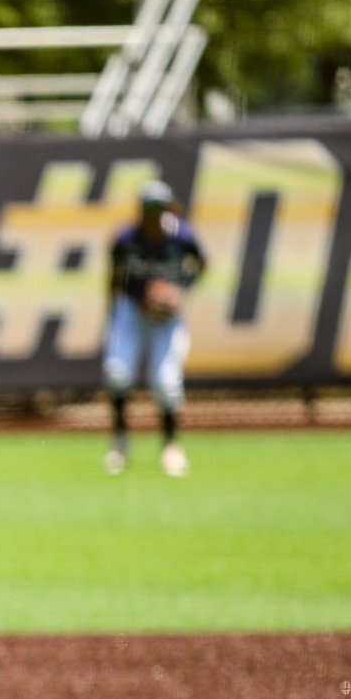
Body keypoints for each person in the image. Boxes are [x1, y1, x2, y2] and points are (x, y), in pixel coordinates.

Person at [103, 180, 203, 478]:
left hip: (167, 318)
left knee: (165, 380)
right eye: (148, 210)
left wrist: (178, 291)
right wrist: (119, 310)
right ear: (140, 211)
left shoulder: (183, 238)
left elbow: (200, 266)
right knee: (117, 373)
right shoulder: (126, 240)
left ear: (169, 209)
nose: (153, 216)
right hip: (132, 310)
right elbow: (115, 277)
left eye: (158, 209)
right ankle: (120, 442)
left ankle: (171, 446)